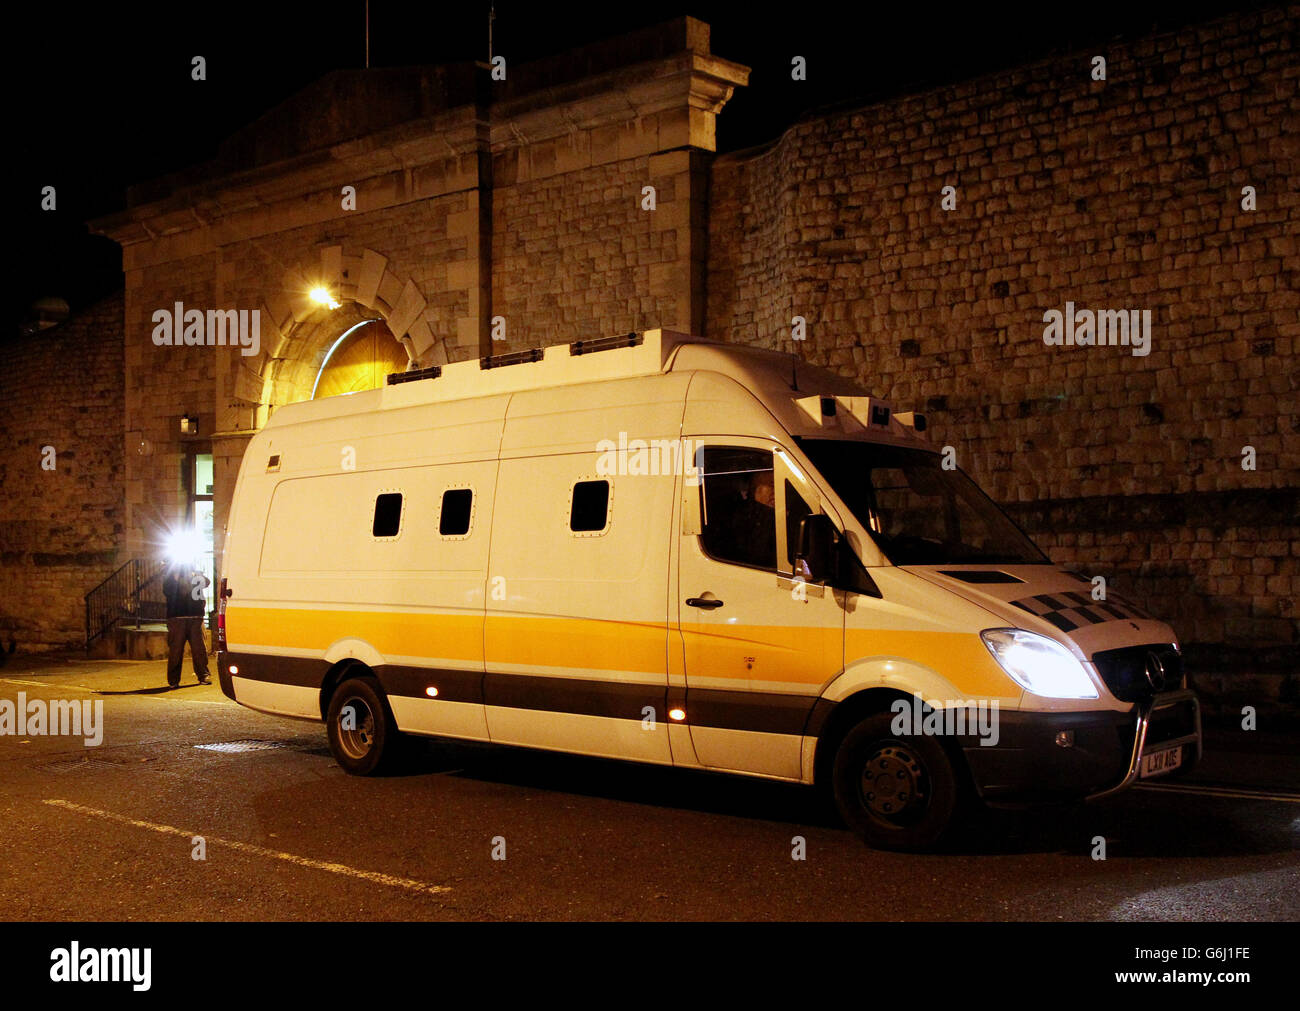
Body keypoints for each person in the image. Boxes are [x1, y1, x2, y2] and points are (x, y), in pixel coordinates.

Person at [162, 558, 211, 687]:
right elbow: (168, 590)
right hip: (177, 618)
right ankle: (173, 680)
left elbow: (207, 582)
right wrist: (175, 572)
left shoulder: (196, 576)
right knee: (176, 651)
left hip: (195, 617)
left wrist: (196, 572)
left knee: (199, 649)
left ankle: (203, 675)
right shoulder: (171, 577)